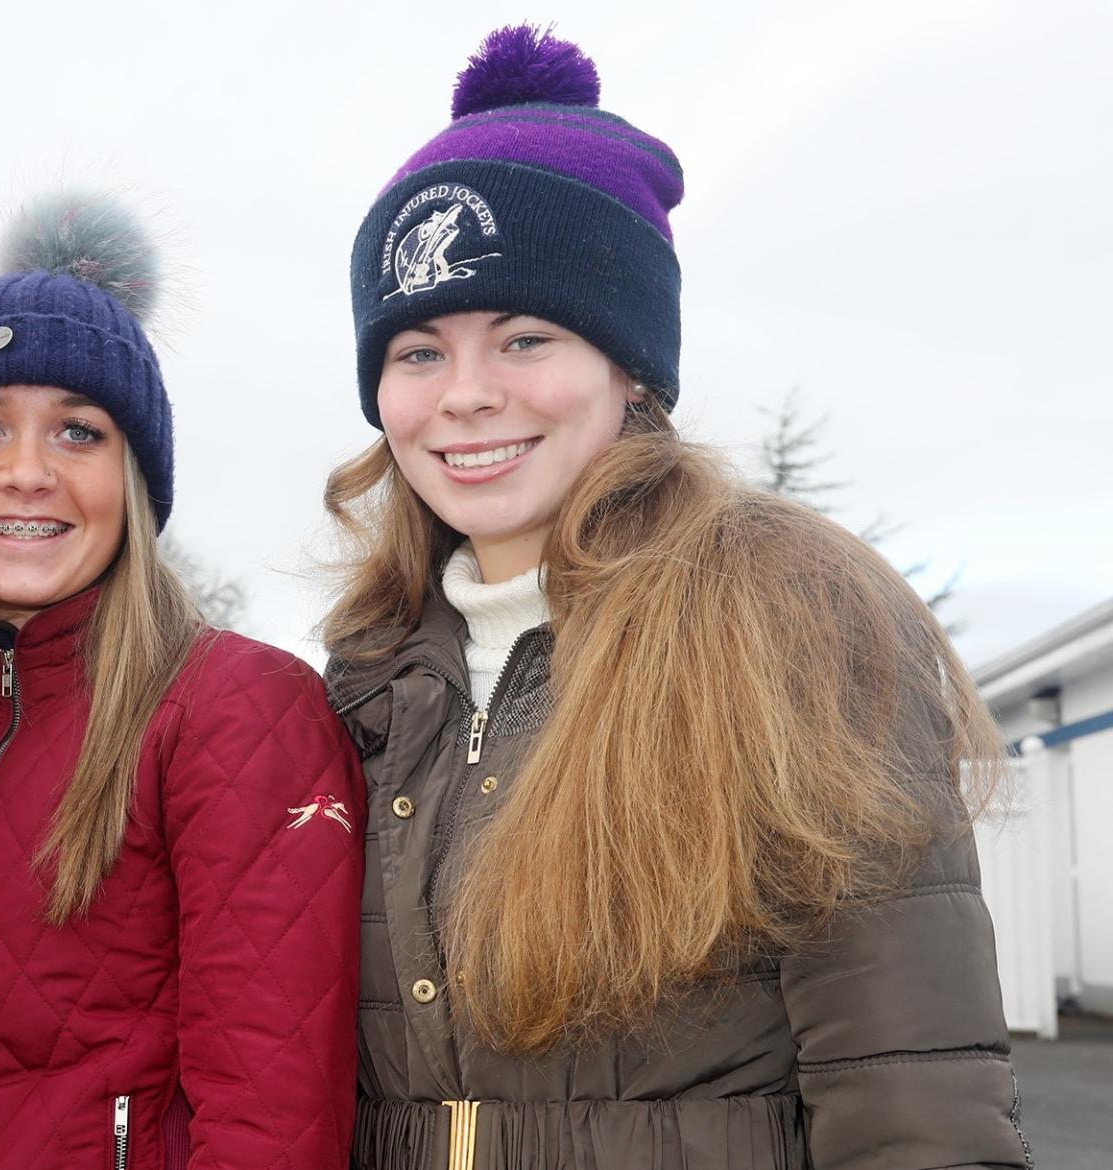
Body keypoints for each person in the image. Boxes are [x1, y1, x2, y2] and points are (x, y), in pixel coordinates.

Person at [320, 27, 1032, 1170]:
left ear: (632, 365)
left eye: (525, 337)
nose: (465, 396)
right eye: (416, 351)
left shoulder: (792, 617)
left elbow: (910, 1096)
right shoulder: (370, 669)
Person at [0, 194, 365, 1170]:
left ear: (133, 477)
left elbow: (271, 1120)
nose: (26, 472)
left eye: (79, 432)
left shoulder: (233, 713)